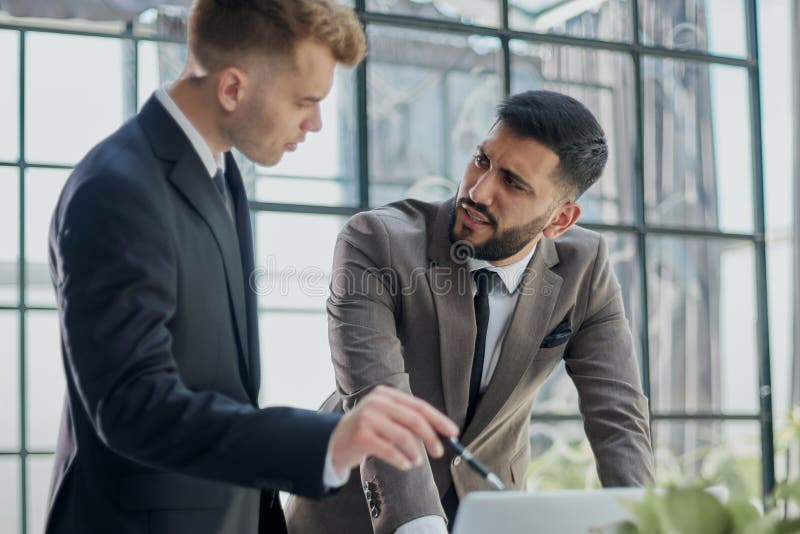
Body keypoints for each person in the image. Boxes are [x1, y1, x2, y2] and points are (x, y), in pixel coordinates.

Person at [43, 1, 459, 533]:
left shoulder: (222, 172)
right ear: (233, 88)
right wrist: (328, 440)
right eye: (304, 101)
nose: (316, 123)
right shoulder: (114, 191)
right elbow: (132, 406)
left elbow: (223, 386)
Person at [286, 90, 655, 534]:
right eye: (482, 160)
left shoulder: (585, 267)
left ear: (560, 220)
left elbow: (618, 414)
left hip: (490, 512)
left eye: (513, 183)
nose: (479, 192)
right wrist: (419, 526)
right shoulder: (375, 242)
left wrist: (645, 521)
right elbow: (378, 398)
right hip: (359, 513)